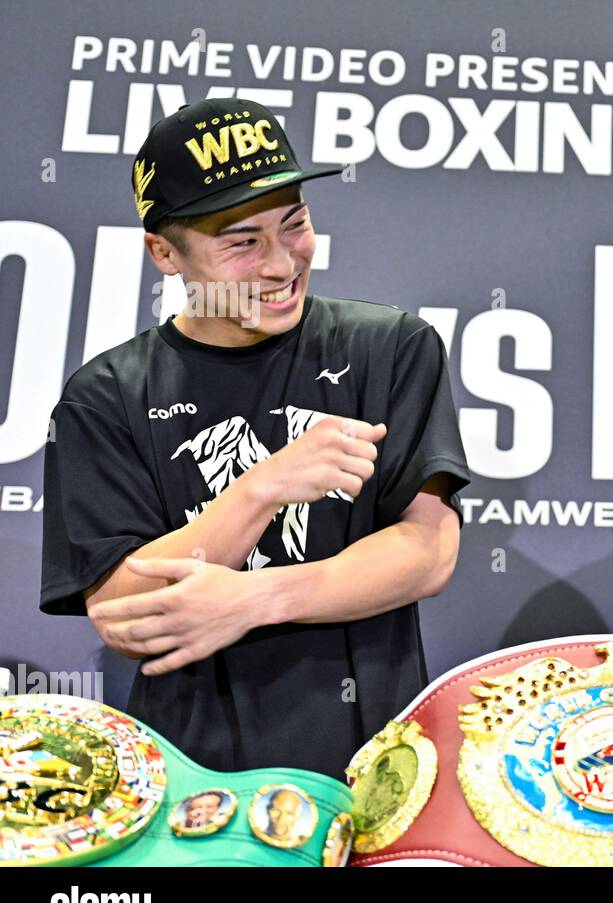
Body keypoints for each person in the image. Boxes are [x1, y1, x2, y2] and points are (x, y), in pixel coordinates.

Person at [40, 98, 470, 779]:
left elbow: (429, 552)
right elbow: (126, 612)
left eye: (294, 224)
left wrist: (252, 600)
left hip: (377, 771)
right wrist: (261, 488)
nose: (281, 262)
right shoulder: (106, 396)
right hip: (193, 790)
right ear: (163, 252)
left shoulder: (390, 346)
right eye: (242, 242)